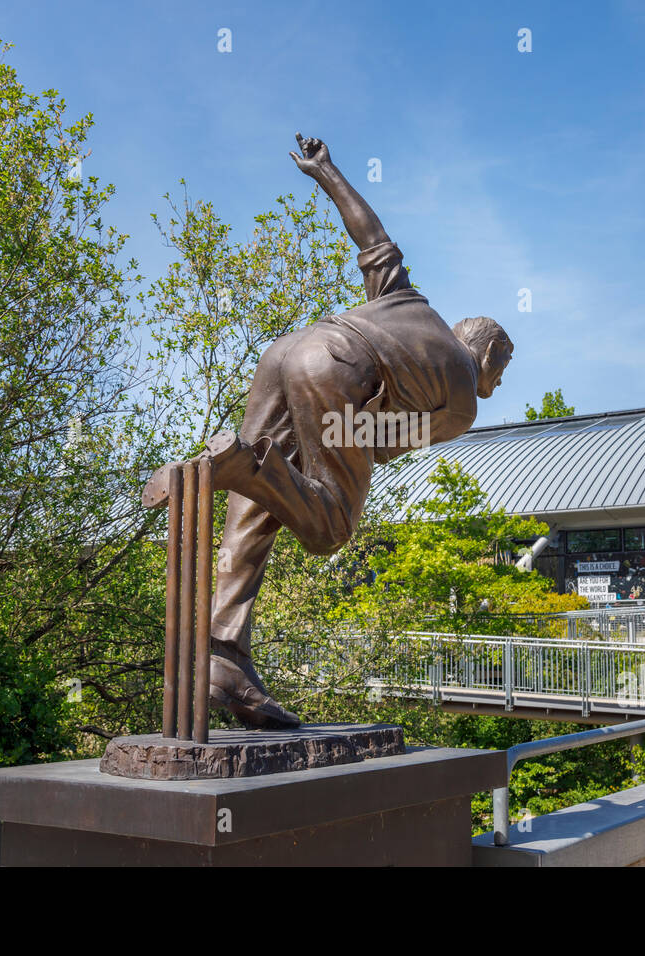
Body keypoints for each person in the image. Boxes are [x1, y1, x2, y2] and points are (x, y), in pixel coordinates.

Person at [201, 134, 514, 728]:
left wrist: (326, 171)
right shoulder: (464, 400)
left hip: (287, 350)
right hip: (336, 371)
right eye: (504, 364)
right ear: (489, 353)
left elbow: (372, 239)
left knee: (255, 515)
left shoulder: (408, 300)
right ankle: (249, 466)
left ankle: (223, 654)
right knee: (329, 526)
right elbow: (380, 439)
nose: (500, 376)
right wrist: (328, 450)